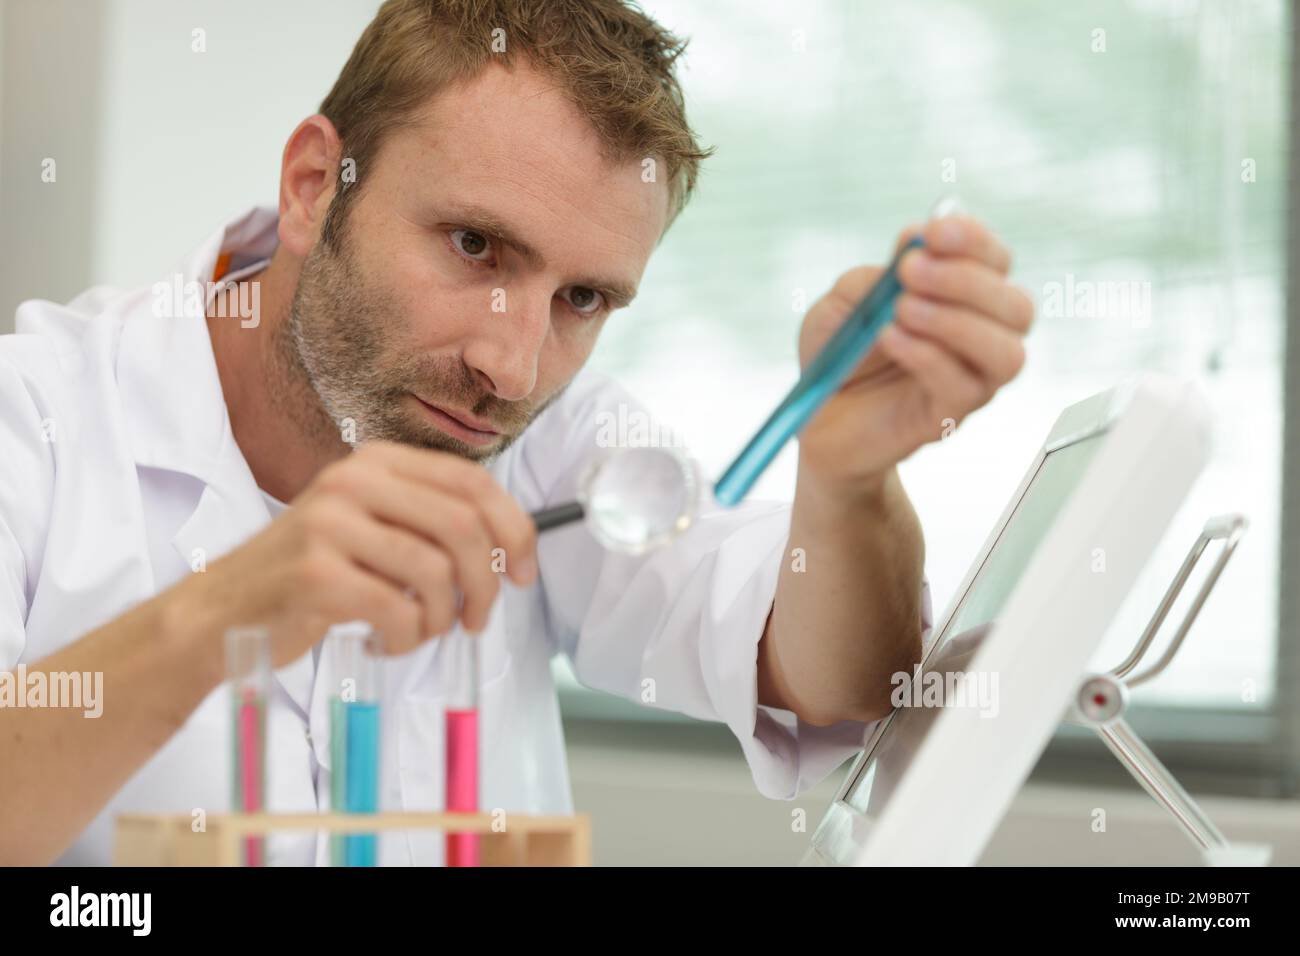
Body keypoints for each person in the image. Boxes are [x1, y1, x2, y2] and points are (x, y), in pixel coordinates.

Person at [0, 0, 1032, 865]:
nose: (513, 366)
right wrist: (224, 607)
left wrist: (846, 480)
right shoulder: (37, 421)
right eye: (475, 245)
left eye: (581, 296)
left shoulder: (559, 438)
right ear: (317, 185)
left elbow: (830, 677)